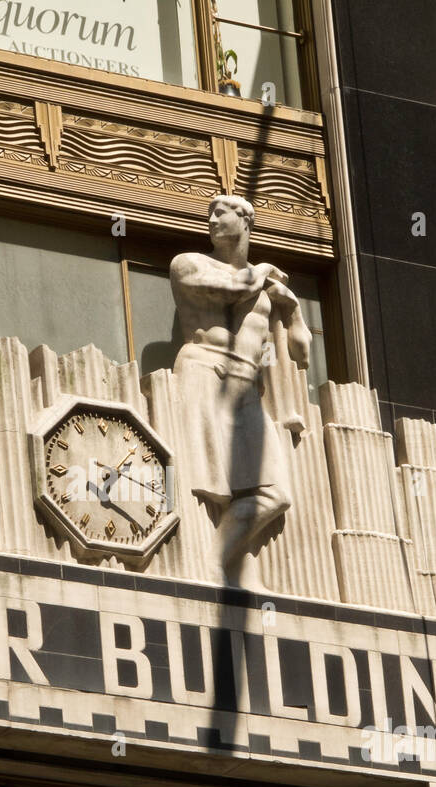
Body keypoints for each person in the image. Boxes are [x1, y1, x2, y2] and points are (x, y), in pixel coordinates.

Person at [170, 194, 311, 586]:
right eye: (210, 214)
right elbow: (228, 289)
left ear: (245, 221)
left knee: (275, 493)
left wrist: (295, 308)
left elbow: (300, 353)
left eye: (221, 214)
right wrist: (265, 272)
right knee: (217, 485)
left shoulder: (265, 288)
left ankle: (222, 558)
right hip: (205, 371)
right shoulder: (188, 264)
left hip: (248, 387)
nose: (212, 221)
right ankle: (218, 567)